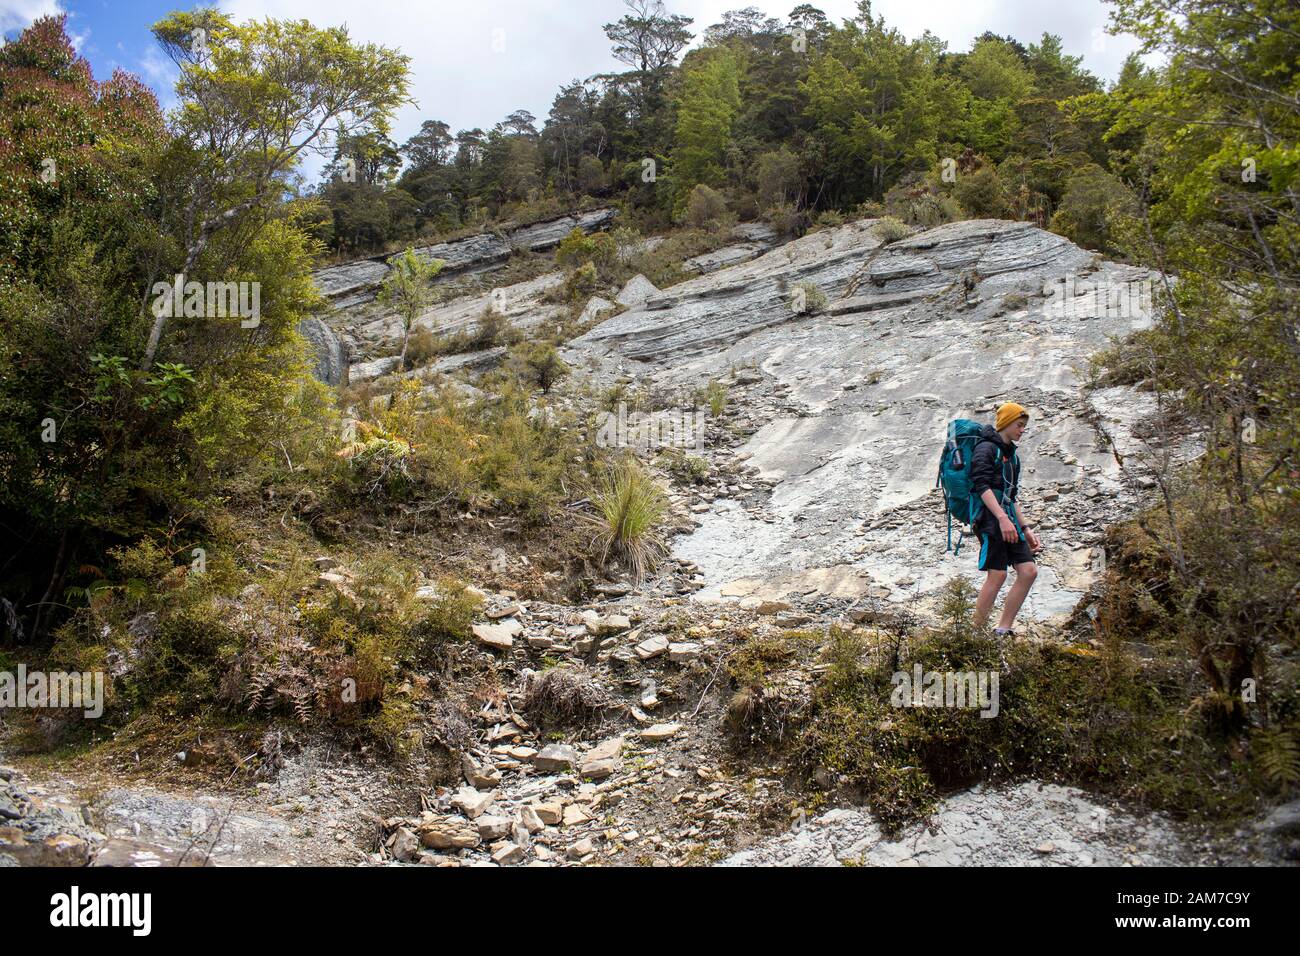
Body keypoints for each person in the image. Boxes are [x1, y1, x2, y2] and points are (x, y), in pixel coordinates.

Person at [970, 402, 1042, 636]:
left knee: (1029, 570)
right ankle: (974, 633)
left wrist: (1026, 527)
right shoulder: (986, 449)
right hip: (989, 519)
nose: (1022, 430)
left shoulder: (1013, 458)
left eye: (1023, 426)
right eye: (1019, 425)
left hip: (1008, 520)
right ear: (1006, 423)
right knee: (998, 573)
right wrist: (1001, 518)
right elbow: (981, 485)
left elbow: (1011, 496)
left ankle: (1003, 629)